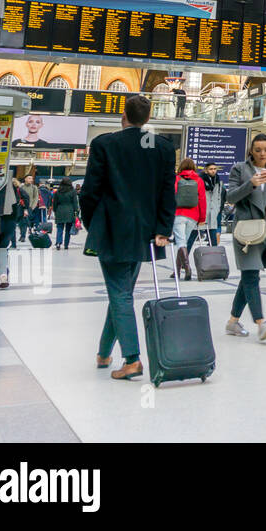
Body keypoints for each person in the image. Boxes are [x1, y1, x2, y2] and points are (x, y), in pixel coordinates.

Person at [80, 94, 176, 380]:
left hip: (111, 229)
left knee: (120, 293)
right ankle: (103, 353)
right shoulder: (162, 148)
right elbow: (166, 192)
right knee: (120, 291)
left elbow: (89, 191)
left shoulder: (104, 144)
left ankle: (132, 359)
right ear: (148, 118)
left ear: (124, 116)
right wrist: (163, 228)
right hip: (145, 232)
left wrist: (92, 223)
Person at [226, 134, 266, 341]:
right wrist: (251, 184)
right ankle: (261, 322)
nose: (262, 154)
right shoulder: (240, 169)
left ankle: (233, 322)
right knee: (250, 276)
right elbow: (230, 197)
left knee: (248, 278)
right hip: (247, 232)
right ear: (251, 150)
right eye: (258, 149)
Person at [171, 158, 206, 281]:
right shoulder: (199, 180)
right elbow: (202, 200)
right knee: (183, 242)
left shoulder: (176, 179)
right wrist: (202, 218)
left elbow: (171, 196)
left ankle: (187, 268)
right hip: (193, 215)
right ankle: (176, 271)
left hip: (178, 214)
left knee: (181, 242)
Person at [188, 162, 224, 251]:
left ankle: (215, 261)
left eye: (215, 169)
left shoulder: (218, 181)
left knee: (214, 242)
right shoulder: (199, 180)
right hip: (201, 213)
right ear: (206, 170)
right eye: (211, 169)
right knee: (192, 238)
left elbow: (219, 196)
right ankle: (182, 260)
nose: (213, 171)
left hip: (213, 213)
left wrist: (217, 208)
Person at [52, 177, 79, 250]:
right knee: (68, 229)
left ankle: (58, 242)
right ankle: (66, 245)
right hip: (70, 211)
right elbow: (75, 203)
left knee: (59, 228)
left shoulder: (57, 192)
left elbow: (54, 203)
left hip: (59, 210)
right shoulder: (73, 191)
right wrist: (76, 212)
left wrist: (55, 211)